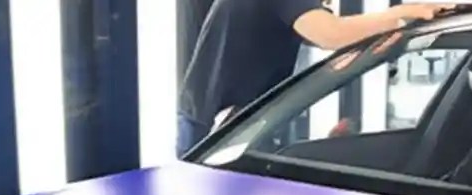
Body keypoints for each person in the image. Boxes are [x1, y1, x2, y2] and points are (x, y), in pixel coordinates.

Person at [177, 0, 451, 156]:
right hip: (220, 129)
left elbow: (324, 36)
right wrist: (400, 14)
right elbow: (330, 34)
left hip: (224, 120)